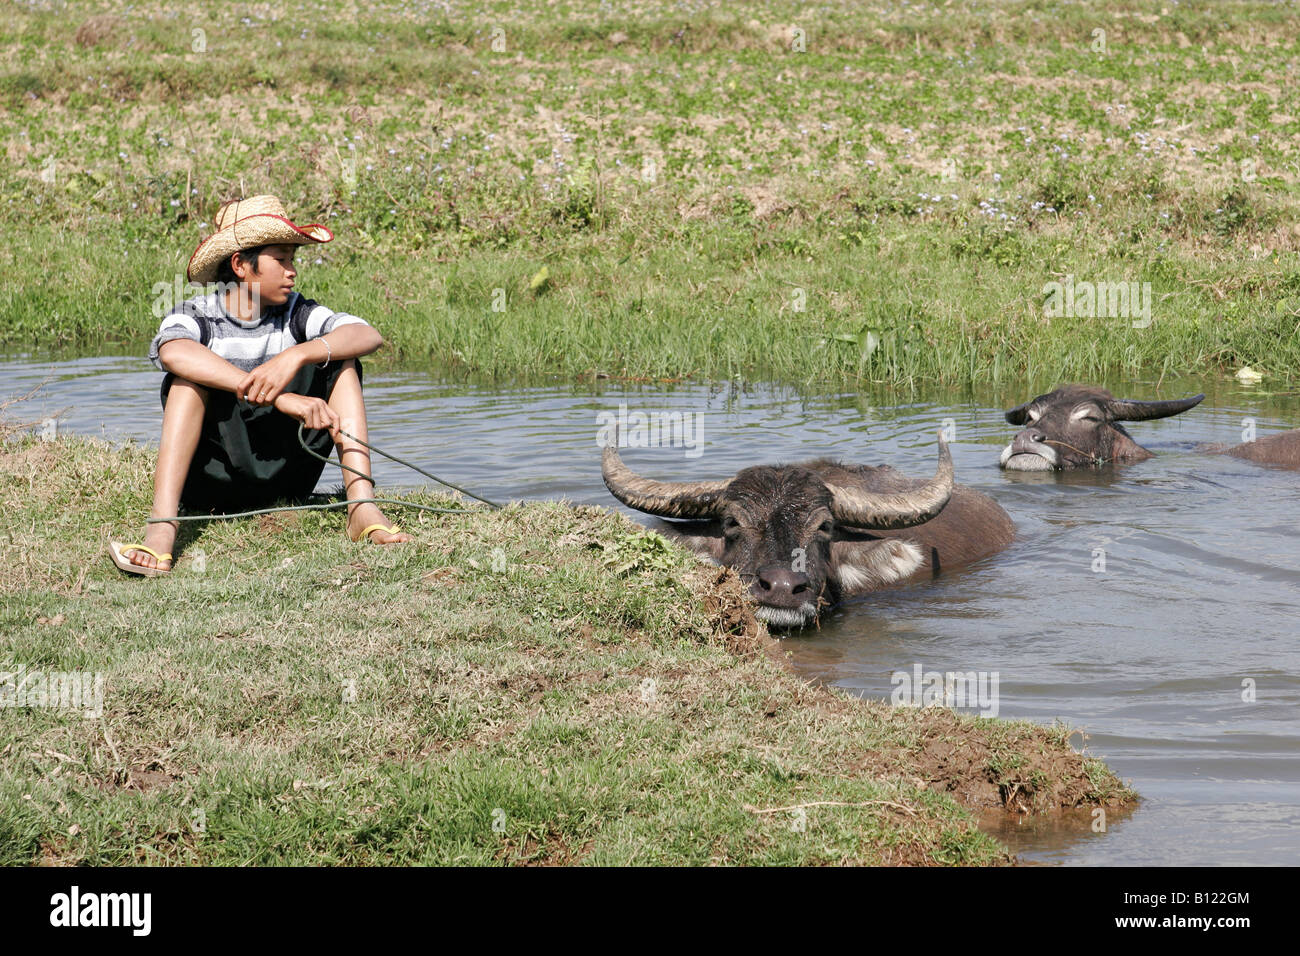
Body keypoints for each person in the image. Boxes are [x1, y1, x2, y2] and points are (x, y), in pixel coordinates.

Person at [109, 195, 411, 577]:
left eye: (292, 261)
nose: (291, 272)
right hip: (214, 482)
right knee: (186, 382)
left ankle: (362, 505)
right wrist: (281, 397)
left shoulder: (297, 313)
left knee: (342, 362)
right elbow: (173, 352)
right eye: (280, 260)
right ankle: (163, 528)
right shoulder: (197, 314)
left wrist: (297, 356)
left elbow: (367, 334)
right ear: (241, 265)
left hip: (286, 478)